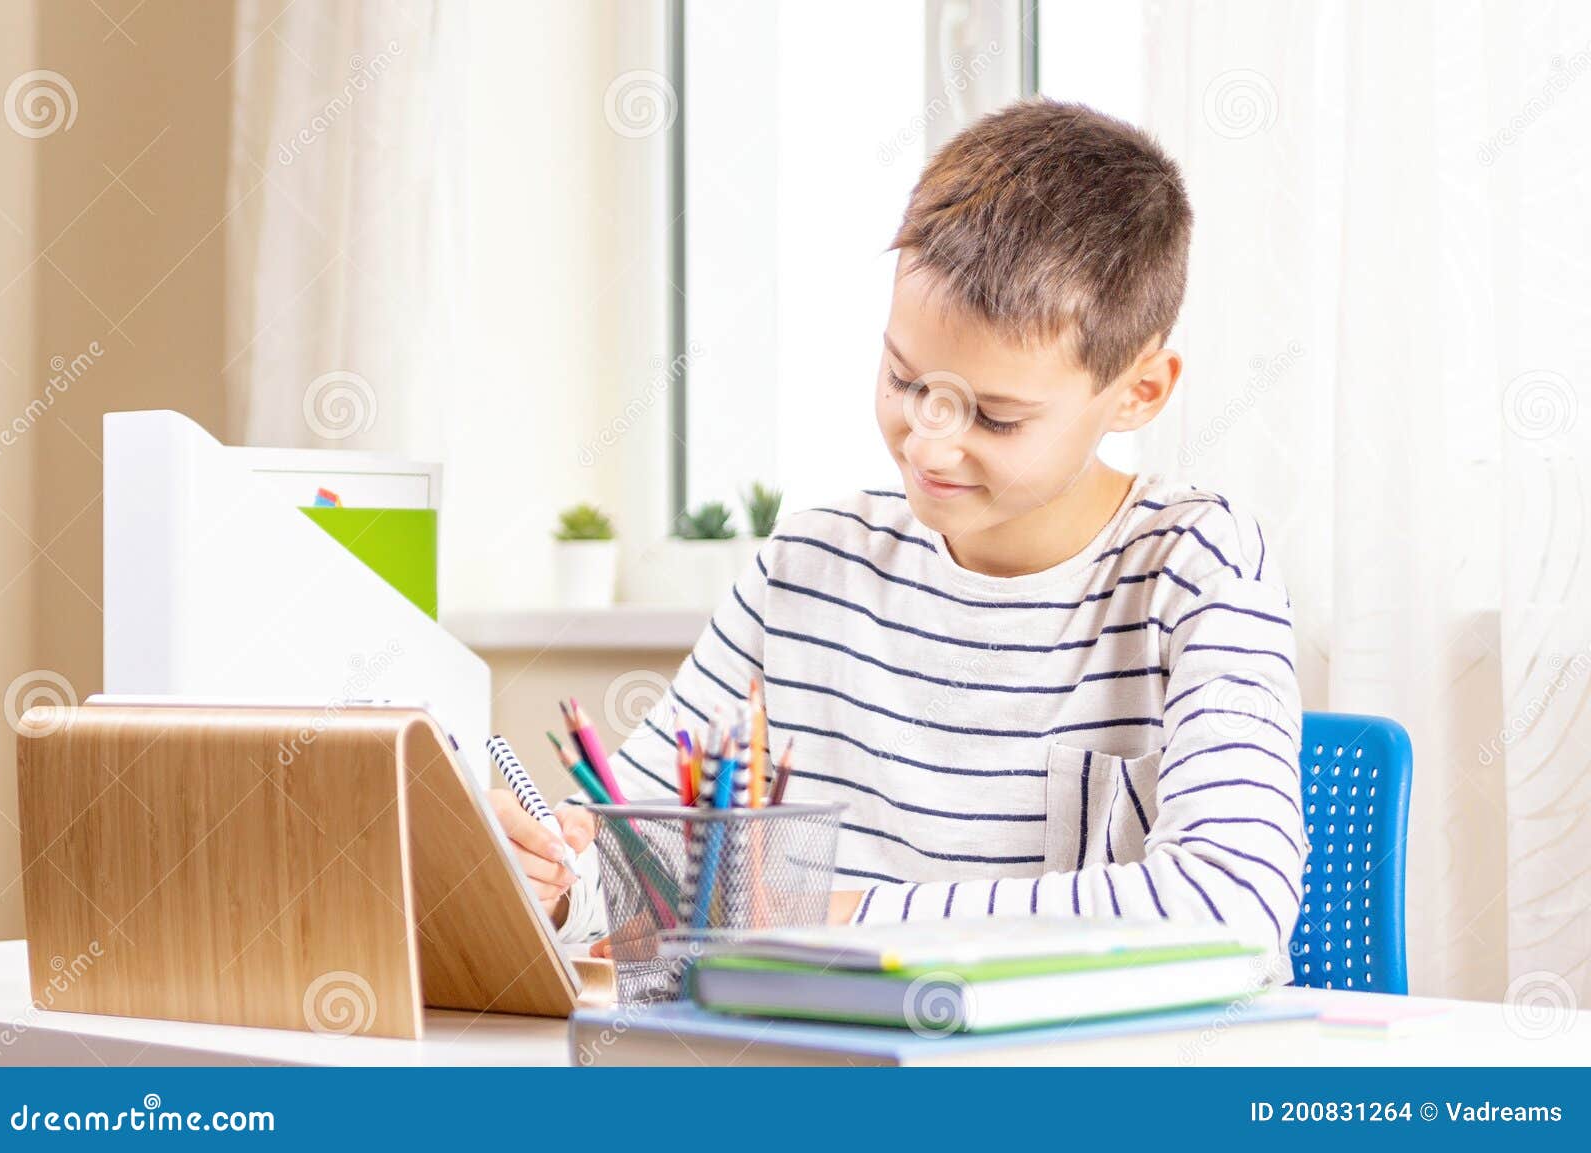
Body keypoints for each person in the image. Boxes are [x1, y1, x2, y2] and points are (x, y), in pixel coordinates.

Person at [493, 99, 1304, 982]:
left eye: (996, 416)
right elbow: (636, 864)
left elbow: (1235, 908)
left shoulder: (1197, 568)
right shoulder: (807, 568)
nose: (927, 441)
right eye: (904, 379)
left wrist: (836, 917)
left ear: (1140, 392)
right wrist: (561, 883)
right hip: (835, 1067)